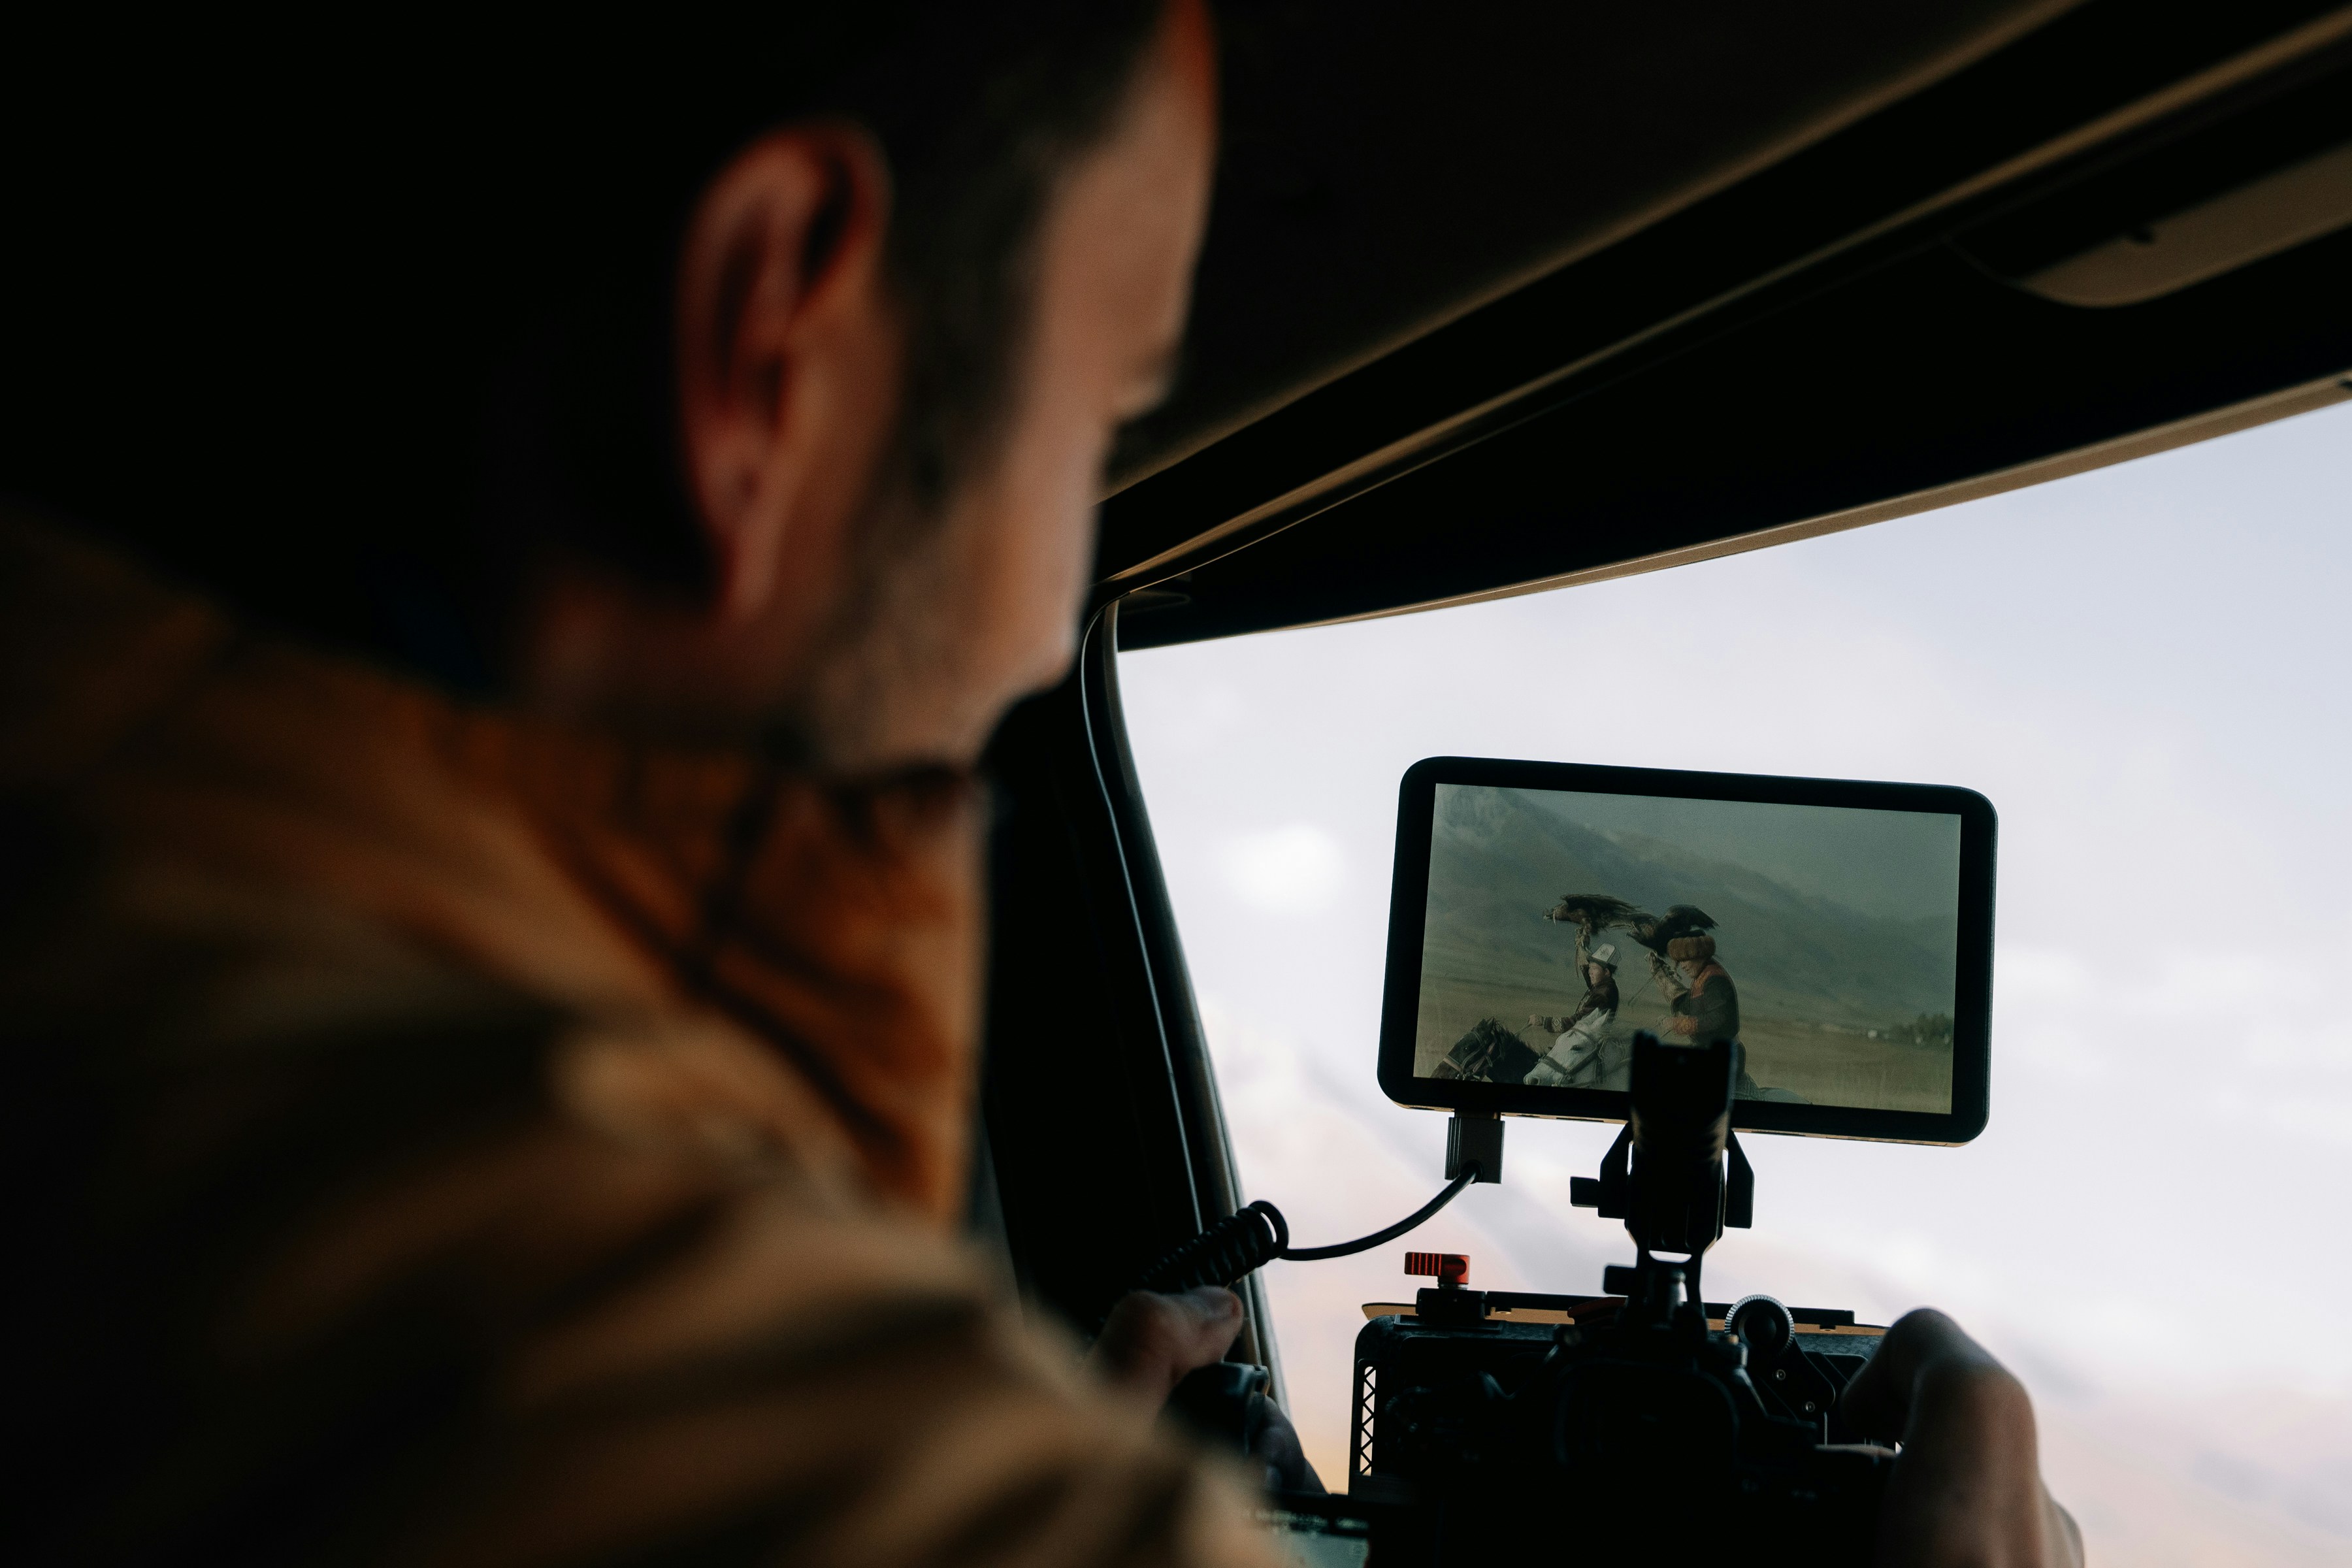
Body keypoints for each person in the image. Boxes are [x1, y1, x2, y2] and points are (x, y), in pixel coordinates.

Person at [0, 7, 2078, 1565]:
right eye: (1096, 424)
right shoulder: (586, 1352)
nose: (1041, 613)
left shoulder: (153, 1013)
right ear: (768, 351)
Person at [1527, 939, 1621, 1086]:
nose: (1590, 972)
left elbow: (1577, 1021)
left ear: (1607, 972)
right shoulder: (1602, 986)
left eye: (1595, 969)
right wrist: (1582, 948)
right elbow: (1588, 975)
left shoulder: (1604, 994)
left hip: (1589, 1048)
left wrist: (1544, 1021)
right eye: (1590, 968)